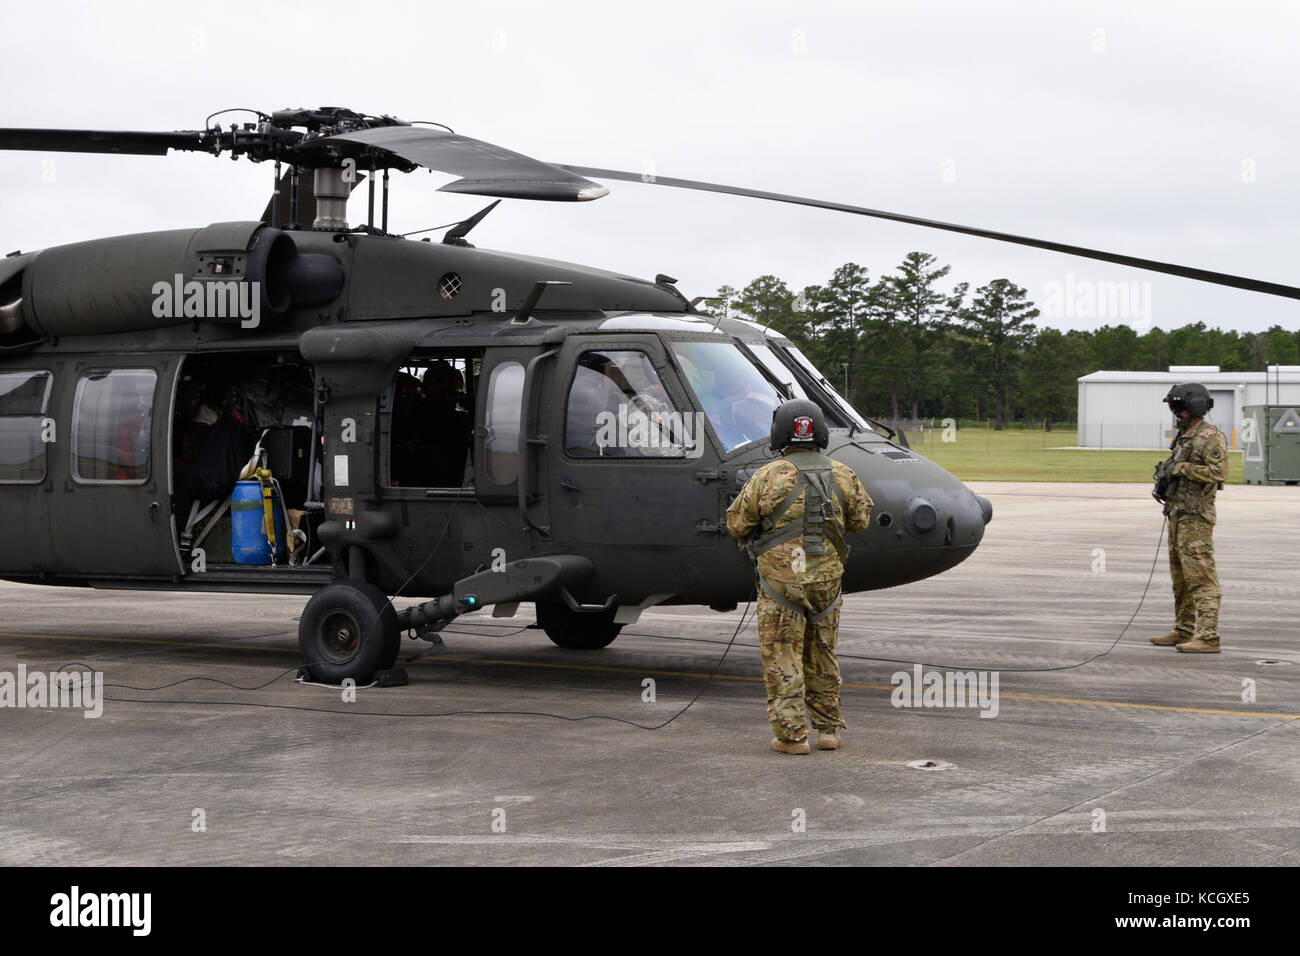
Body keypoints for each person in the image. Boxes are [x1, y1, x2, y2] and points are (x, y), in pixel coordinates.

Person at [725, 399, 873, 754]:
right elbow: (860, 521)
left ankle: (792, 736)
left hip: (781, 583)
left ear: (780, 434)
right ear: (819, 433)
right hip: (827, 583)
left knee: (782, 655)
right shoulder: (843, 473)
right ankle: (828, 731)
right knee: (822, 652)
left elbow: (736, 523)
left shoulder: (768, 475)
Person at [1151, 382, 1228, 653]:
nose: (1177, 413)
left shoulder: (1210, 437)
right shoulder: (1184, 437)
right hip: (1178, 515)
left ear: (1193, 407)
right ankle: (1183, 629)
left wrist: (1181, 468)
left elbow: (1218, 474)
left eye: (1180, 408)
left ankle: (1208, 637)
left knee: (1201, 576)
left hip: (1196, 518)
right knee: (1180, 577)